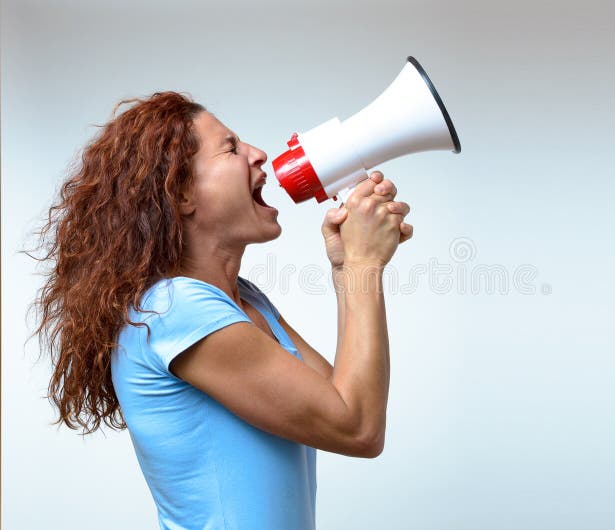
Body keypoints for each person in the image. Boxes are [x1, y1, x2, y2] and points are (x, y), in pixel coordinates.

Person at [32, 91, 413, 529]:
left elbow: (342, 400)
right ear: (180, 195)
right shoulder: (174, 310)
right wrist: (366, 265)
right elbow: (358, 429)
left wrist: (349, 268)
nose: (259, 154)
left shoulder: (244, 300)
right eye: (231, 148)